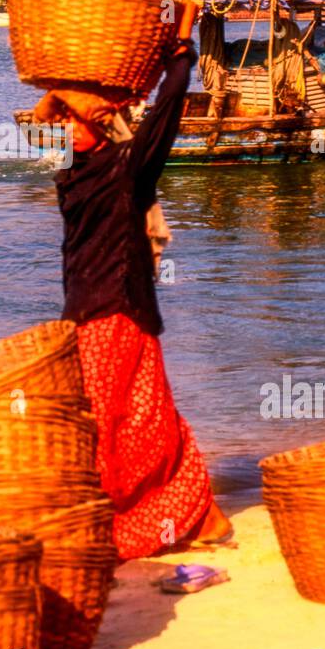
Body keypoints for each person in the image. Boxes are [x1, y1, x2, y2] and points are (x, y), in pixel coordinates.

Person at [47, 27, 232, 561]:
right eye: (62, 120)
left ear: (100, 124)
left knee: (127, 426)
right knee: (133, 420)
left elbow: (167, 113)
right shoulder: (72, 172)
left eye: (70, 118)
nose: (61, 125)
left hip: (120, 315)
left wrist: (181, 54)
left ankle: (170, 516)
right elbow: (44, 112)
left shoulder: (129, 171)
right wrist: (69, 90)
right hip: (86, 316)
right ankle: (202, 514)